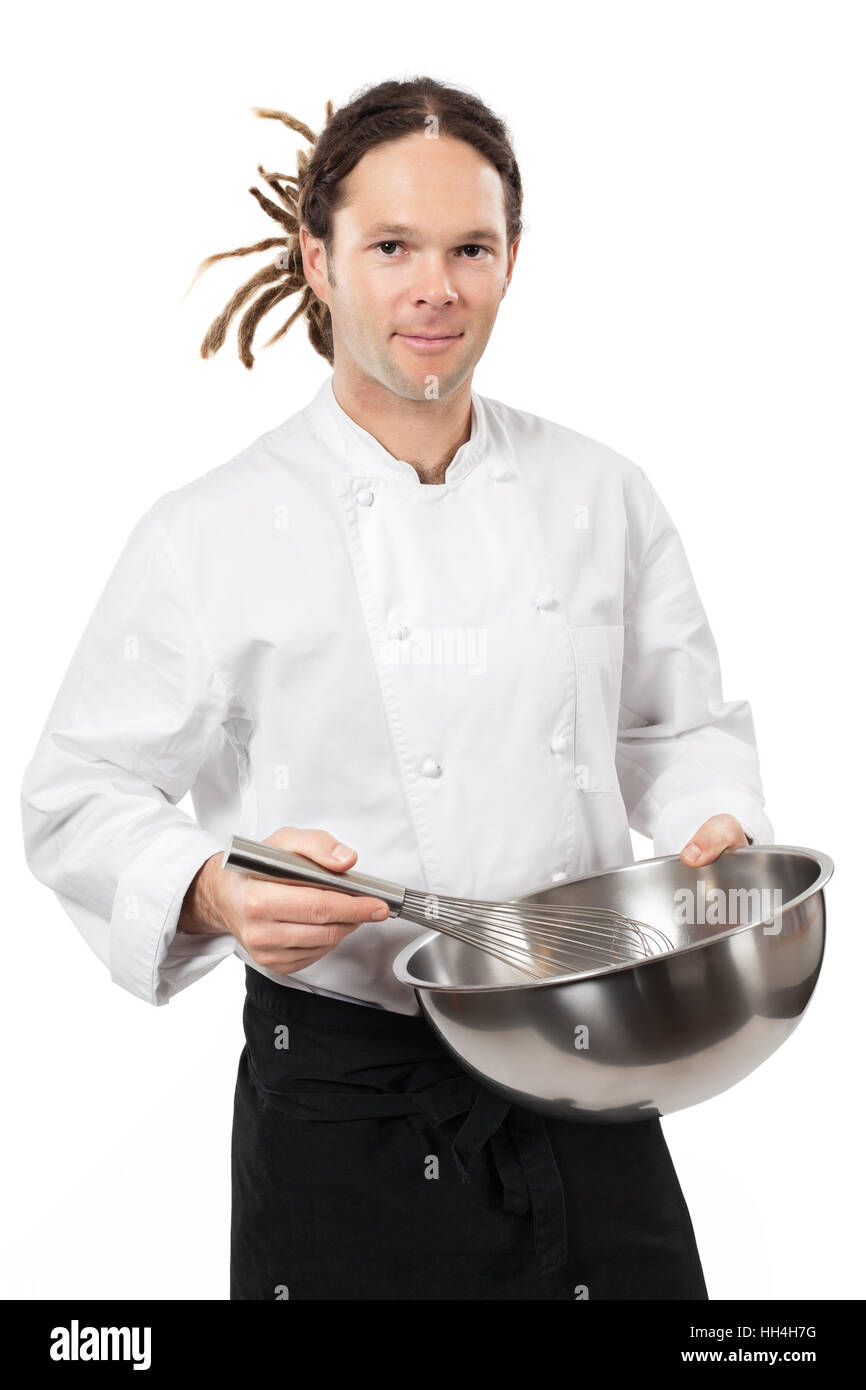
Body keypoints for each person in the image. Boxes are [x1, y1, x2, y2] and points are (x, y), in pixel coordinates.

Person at [20, 76, 772, 1301]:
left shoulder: (599, 491)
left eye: (469, 247)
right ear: (317, 261)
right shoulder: (209, 531)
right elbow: (79, 791)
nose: (436, 288)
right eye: (390, 248)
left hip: (586, 1050)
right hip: (346, 1098)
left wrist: (708, 825)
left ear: (512, 260)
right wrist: (208, 889)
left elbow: (674, 721)